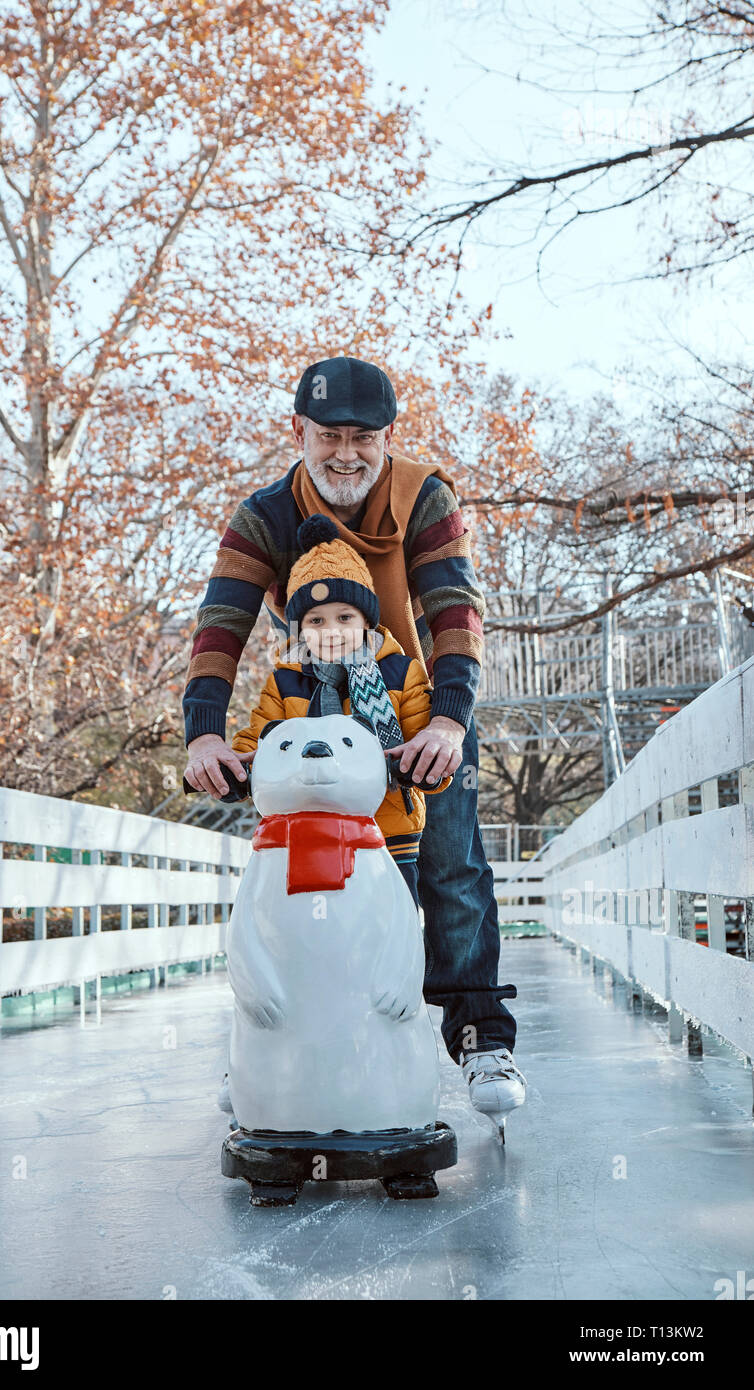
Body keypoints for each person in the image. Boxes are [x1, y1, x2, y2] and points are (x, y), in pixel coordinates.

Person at [182, 356, 527, 1136]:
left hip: (416, 708)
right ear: (296, 430)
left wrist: (447, 721)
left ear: (388, 437)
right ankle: (265, 1055)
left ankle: (479, 1036)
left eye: (363, 437)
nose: (346, 453)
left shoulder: (423, 495)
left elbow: (454, 613)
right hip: (316, 715)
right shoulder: (264, 515)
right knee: (291, 878)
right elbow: (221, 624)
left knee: (450, 864)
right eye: (329, 434)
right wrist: (205, 730)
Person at [229, 511, 453, 909]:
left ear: (366, 621)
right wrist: (238, 769)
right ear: (300, 628)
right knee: (316, 933)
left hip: (388, 833)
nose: (331, 630)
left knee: (388, 929)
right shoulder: (285, 681)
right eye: (316, 620)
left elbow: (422, 738)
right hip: (304, 835)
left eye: (344, 617)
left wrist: (422, 766)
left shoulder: (401, 673)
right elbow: (259, 738)